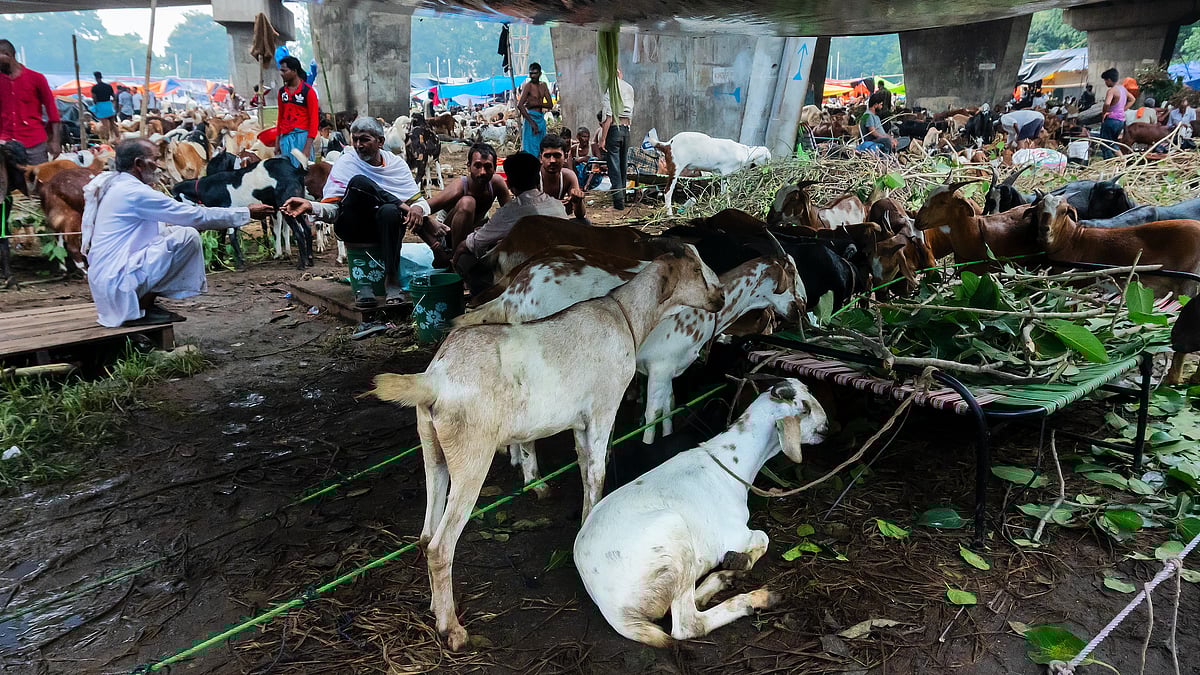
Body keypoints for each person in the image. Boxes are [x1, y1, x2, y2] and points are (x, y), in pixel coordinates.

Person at [82, 138, 274, 327]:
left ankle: (143, 304)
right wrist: (246, 212)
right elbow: (195, 216)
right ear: (139, 164)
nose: (158, 166)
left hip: (107, 279)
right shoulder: (135, 192)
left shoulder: (116, 183)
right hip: (116, 281)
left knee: (171, 230)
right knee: (186, 236)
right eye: (155, 160)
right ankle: (141, 306)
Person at [280, 117, 431, 308]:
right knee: (360, 182)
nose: (358, 145)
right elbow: (333, 210)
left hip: (387, 227)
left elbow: (420, 203)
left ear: (380, 142)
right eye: (355, 139)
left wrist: (416, 208)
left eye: (365, 140)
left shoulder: (396, 165)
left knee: (390, 210)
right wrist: (312, 206)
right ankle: (363, 285)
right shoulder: (346, 163)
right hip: (353, 226)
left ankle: (391, 280)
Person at [449, 151, 568, 294]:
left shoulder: (510, 212)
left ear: (509, 183)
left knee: (465, 259)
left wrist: (454, 259)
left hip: (525, 279)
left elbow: (472, 244)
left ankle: (482, 299)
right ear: (538, 178)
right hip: (559, 271)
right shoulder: (557, 205)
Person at [410, 142, 510, 266]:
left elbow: (510, 215)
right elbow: (425, 207)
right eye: (477, 166)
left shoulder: (497, 184)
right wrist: (417, 209)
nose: (482, 172)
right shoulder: (459, 187)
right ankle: (457, 260)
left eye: (488, 167)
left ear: (495, 168)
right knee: (468, 202)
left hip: (476, 234)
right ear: (468, 166)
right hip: (447, 236)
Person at [0, 40, 59, 165]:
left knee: (39, 181)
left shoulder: (36, 78)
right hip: (6, 142)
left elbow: (52, 110)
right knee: (8, 183)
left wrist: (55, 140)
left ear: (7, 55)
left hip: (34, 142)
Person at [597, 68, 635, 210]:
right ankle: (622, 199)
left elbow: (608, 116)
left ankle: (618, 204)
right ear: (621, 74)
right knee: (623, 166)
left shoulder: (610, 89)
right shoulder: (629, 88)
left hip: (614, 129)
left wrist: (603, 139)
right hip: (626, 129)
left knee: (614, 168)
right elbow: (631, 114)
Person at [275, 55, 319, 167]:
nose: (281, 73)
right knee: (286, 173)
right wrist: (277, 143)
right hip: (285, 138)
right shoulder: (282, 93)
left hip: (302, 138)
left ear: (294, 71)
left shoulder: (308, 92)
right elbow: (280, 117)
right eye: (281, 70)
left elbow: (314, 120)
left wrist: (307, 148)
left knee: (303, 173)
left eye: (284, 71)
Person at [539, 134, 585, 220]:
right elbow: (525, 212)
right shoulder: (533, 177)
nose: (552, 161)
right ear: (541, 158)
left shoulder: (568, 176)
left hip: (558, 223)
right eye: (547, 156)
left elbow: (580, 215)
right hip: (536, 225)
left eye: (557, 155)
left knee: (585, 223)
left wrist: (577, 201)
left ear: (565, 156)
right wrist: (553, 207)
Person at [518, 62, 553, 153]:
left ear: (540, 74)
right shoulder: (528, 86)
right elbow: (520, 105)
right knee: (529, 149)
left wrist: (537, 104)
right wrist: (531, 122)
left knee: (541, 147)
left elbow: (550, 105)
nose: (533, 76)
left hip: (540, 119)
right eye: (531, 73)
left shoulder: (543, 85)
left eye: (535, 73)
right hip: (531, 118)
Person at [1099, 68, 1128, 159]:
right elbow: (1132, 99)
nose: (1105, 83)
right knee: (1113, 141)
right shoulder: (1123, 89)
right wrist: (1123, 109)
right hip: (1120, 121)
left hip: (1111, 119)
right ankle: (1117, 161)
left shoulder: (1112, 91)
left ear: (1109, 80)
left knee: (1106, 143)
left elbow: (1107, 103)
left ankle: (1114, 161)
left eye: (1105, 81)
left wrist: (1104, 112)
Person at [90, 71, 117, 142]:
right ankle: (118, 137)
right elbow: (114, 97)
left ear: (95, 78)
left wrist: (96, 105)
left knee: (105, 125)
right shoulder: (108, 86)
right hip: (109, 105)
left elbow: (94, 98)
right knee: (113, 124)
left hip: (101, 105)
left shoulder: (95, 88)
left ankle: (107, 140)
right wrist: (112, 104)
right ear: (101, 77)